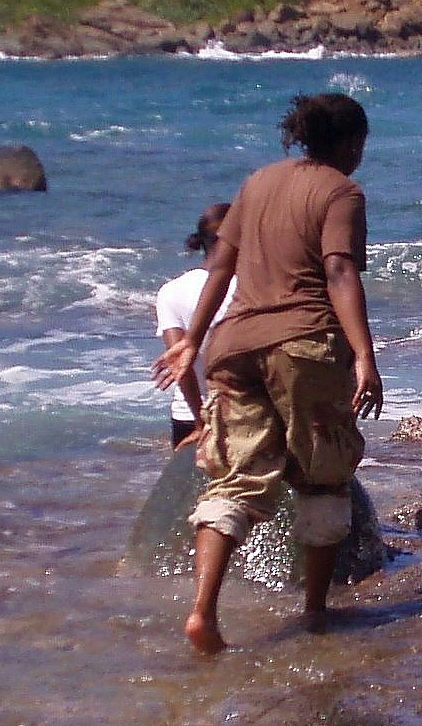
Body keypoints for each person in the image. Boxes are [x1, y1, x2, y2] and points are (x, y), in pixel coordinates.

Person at [154, 94, 385, 653]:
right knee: (324, 476)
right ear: (353, 143)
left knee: (235, 480)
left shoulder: (256, 183)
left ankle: (203, 612)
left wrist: (191, 339)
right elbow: (337, 269)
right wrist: (364, 355)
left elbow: (220, 267)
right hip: (304, 345)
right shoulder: (341, 191)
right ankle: (314, 611)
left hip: (234, 346)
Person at [153, 202, 232, 446]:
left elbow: (180, 363)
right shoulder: (250, 288)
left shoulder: (171, 290)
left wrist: (201, 423)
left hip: (187, 413)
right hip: (239, 413)